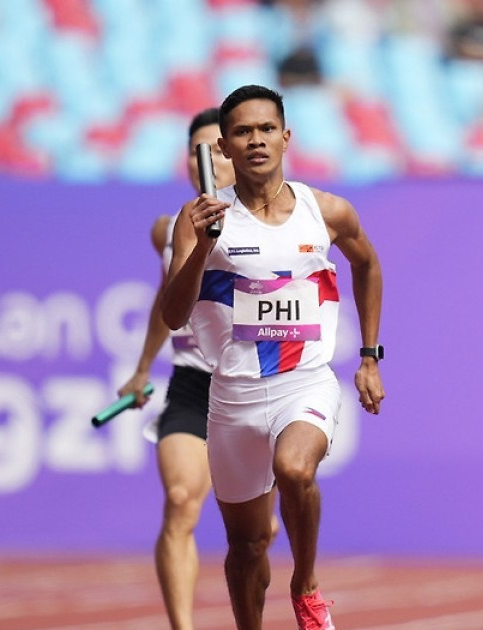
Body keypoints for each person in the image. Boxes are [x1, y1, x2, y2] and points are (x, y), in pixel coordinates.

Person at [160, 84, 386, 630]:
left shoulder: (325, 211)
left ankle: (306, 585)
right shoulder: (198, 217)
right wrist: (203, 244)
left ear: (286, 139)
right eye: (242, 132)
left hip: (303, 380)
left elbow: (369, 266)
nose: (256, 140)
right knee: (246, 547)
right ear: (227, 147)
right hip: (232, 395)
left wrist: (370, 356)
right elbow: (172, 313)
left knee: (294, 468)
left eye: (266, 130)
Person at [117, 107, 258, 630]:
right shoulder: (166, 230)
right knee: (180, 500)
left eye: (219, 150)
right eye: (199, 151)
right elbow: (166, 297)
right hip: (194, 384)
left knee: (254, 536)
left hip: (253, 387)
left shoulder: (271, 223)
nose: (211, 162)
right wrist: (139, 369)